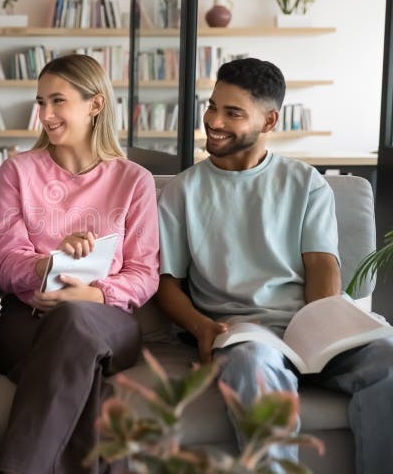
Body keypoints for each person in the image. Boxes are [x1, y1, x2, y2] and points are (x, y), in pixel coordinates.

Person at [155, 57, 393, 473]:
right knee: (254, 367)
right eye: (212, 106)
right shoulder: (183, 192)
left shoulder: (306, 183)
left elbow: (322, 267)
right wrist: (201, 327)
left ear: (268, 122)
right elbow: (167, 284)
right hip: (242, 334)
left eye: (233, 113)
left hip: (309, 327)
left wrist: (322, 331)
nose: (214, 121)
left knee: (387, 360)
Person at [0, 53, 160, 474]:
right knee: (88, 380)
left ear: (95, 104)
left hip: (106, 323)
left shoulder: (133, 180)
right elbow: (5, 260)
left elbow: (144, 273)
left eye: (57, 101)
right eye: (41, 101)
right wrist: (46, 266)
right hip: (28, 320)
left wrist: (95, 294)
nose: (44, 114)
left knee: (75, 320)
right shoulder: (18, 171)